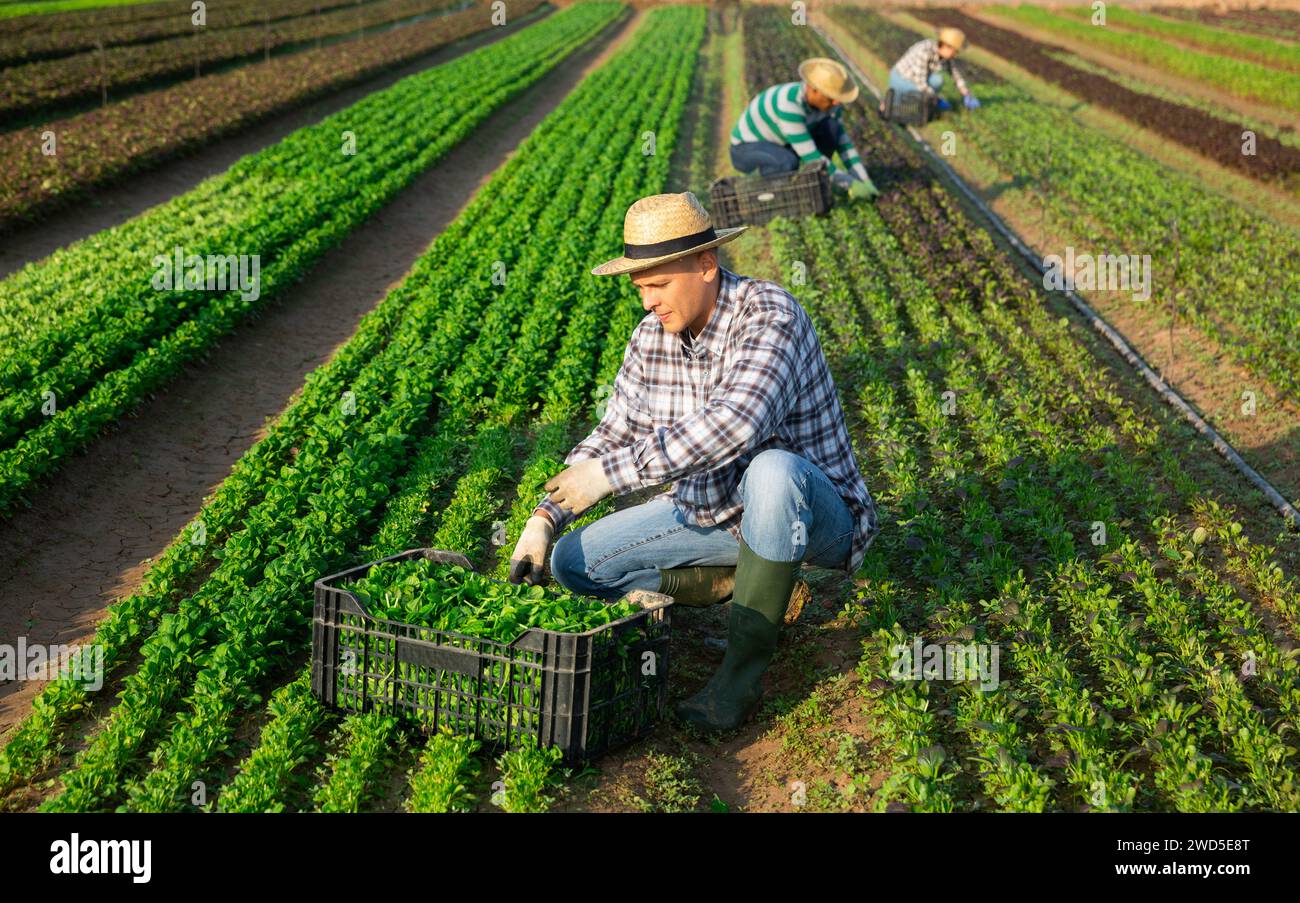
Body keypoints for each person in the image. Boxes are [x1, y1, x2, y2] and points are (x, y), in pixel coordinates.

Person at [507, 191, 880, 732]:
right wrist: (545, 517)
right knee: (571, 563)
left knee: (772, 469)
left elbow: (738, 422)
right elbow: (616, 431)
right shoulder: (649, 339)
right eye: (640, 288)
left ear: (706, 264)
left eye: (657, 285)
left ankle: (740, 677)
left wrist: (609, 476)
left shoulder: (770, 315)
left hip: (812, 515)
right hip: (712, 513)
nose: (647, 303)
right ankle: (731, 580)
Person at [729, 57, 880, 199]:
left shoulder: (831, 106)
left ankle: (819, 181)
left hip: (780, 143)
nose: (836, 103)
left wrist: (863, 179)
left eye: (837, 97)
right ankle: (769, 196)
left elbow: (844, 144)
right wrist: (848, 183)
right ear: (813, 90)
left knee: (832, 129)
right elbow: (811, 156)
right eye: (830, 97)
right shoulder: (789, 105)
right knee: (787, 162)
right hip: (745, 149)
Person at [885, 26, 980, 114]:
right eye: (954, 52)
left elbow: (954, 74)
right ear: (946, 46)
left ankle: (922, 106)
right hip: (901, 79)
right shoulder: (924, 51)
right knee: (918, 98)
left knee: (938, 80)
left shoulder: (943, 55)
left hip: (915, 80)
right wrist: (936, 99)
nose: (955, 55)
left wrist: (966, 93)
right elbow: (920, 82)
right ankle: (894, 104)